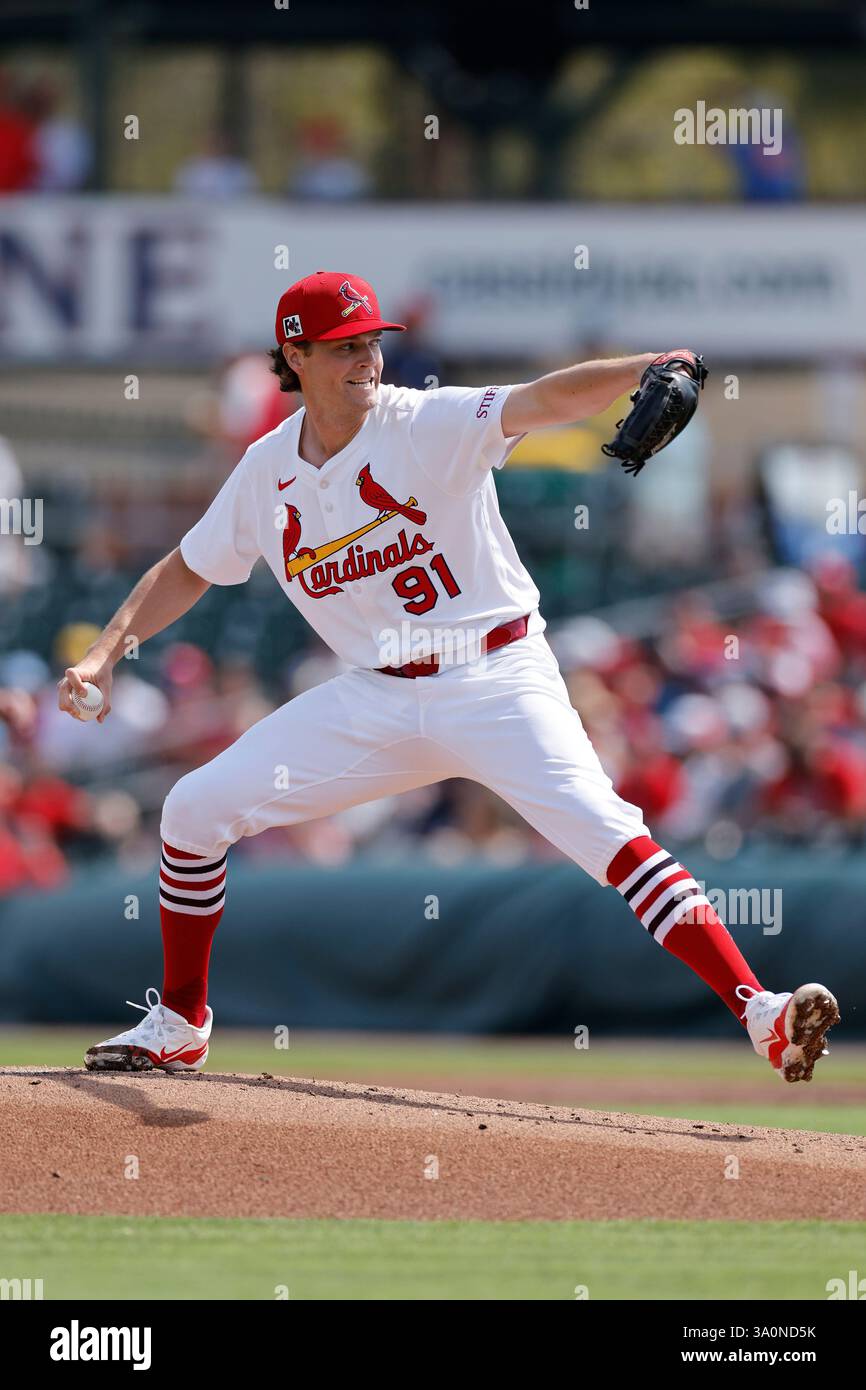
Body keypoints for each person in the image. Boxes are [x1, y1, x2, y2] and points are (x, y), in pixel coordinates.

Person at [58, 269, 839, 1081]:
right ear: (294, 354)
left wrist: (650, 365)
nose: (366, 359)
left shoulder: (423, 421)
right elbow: (188, 566)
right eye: (345, 346)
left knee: (611, 834)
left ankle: (762, 1013)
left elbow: (540, 399)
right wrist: (105, 650)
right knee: (190, 811)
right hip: (376, 696)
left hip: (496, 676)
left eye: (372, 343)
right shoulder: (264, 471)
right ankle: (182, 1022)